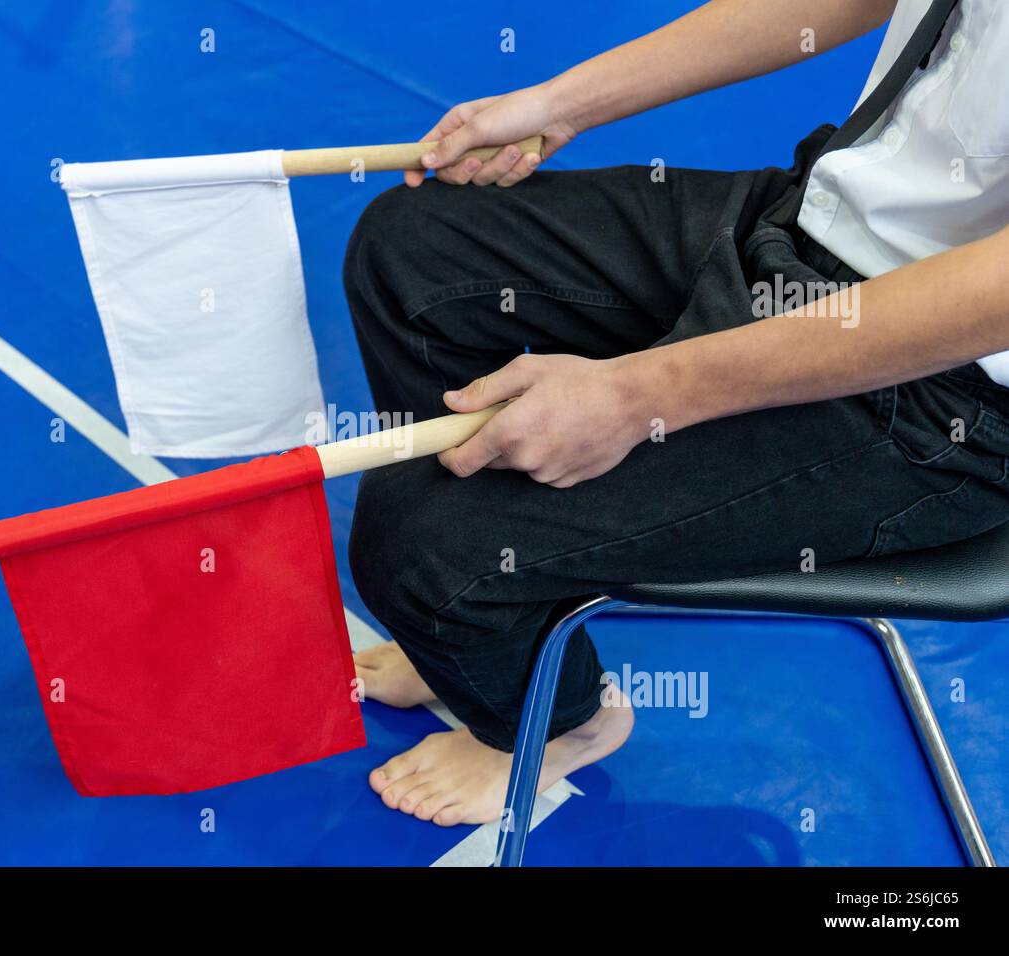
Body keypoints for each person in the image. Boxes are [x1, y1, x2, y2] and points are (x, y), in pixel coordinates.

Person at [345, 0, 1009, 827]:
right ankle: (495, 646)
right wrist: (560, 103)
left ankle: (558, 722)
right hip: (808, 233)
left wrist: (639, 393)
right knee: (416, 254)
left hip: (949, 393)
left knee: (425, 544)